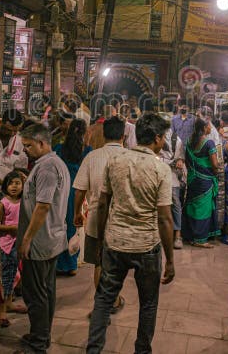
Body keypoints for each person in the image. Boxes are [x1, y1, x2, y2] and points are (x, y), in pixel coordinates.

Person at [86, 113, 175, 354]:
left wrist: (101, 241)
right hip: (146, 246)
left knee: (104, 299)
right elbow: (165, 218)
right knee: (148, 304)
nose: (163, 141)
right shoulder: (160, 169)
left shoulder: (115, 161)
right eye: (163, 137)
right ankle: (142, 350)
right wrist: (170, 260)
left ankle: (93, 349)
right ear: (156, 139)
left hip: (115, 242)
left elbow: (103, 204)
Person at [17, 123, 71, 354]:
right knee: (46, 290)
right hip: (52, 238)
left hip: (41, 240)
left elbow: (43, 206)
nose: (25, 150)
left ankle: (38, 343)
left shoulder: (47, 167)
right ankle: (42, 335)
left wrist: (26, 239)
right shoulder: (54, 163)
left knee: (35, 293)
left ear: (41, 143)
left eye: (28, 145)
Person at [73, 116, 128, 312]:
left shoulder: (92, 157)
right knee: (117, 264)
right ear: (123, 136)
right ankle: (112, 300)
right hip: (122, 220)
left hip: (96, 218)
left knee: (99, 263)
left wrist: (77, 213)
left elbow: (80, 190)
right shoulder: (129, 157)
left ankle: (103, 303)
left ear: (104, 135)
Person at [53, 118, 90, 275]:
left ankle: (58, 263)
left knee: (58, 225)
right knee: (72, 225)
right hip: (77, 192)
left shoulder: (58, 148)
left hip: (59, 191)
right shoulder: (87, 151)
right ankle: (71, 264)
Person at [0, 171, 27, 328]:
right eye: (11, 183)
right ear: (5, 186)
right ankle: (2, 311)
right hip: (7, 245)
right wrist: (11, 228)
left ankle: (10, 303)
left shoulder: (25, 202)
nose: (14, 186)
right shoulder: (4, 203)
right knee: (7, 277)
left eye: (18, 183)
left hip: (21, 243)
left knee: (15, 274)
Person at [181, 118, 221, 248]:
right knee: (203, 209)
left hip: (193, 179)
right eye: (209, 125)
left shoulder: (189, 141)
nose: (211, 128)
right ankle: (200, 239)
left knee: (192, 206)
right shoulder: (209, 143)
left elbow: (187, 161)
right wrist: (218, 169)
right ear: (204, 128)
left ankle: (189, 235)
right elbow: (214, 164)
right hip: (205, 181)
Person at [160, 127, 186, 249]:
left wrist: (180, 161)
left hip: (172, 177)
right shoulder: (154, 137)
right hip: (158, 176)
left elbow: (180, 158)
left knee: (176, 204)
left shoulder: (176, 139)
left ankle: (177, 235)